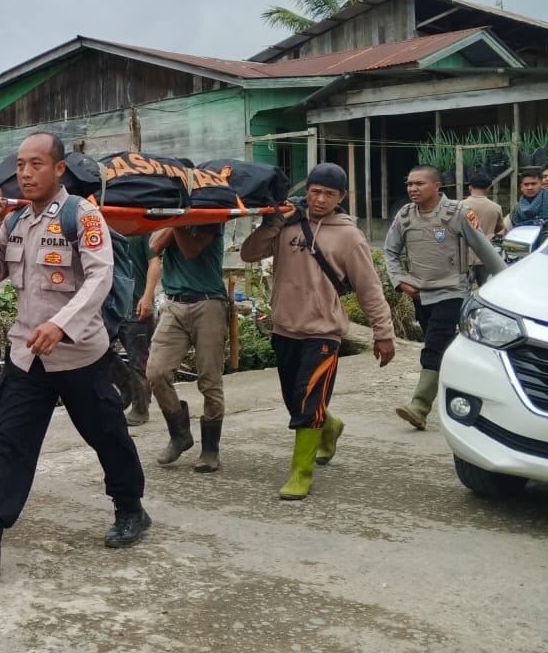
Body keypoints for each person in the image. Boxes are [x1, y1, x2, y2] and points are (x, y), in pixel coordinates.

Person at [0, 132, 149, 577]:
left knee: (106, 434)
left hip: (79, 355)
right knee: (8, 440)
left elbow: (100, 277)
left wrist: (62, 324)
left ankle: (130, 507)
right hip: (27, 356)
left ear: (58, 170)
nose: (25, 173)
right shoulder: (15, 221)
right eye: (20, 165)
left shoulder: (82, 215)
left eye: (36, 164)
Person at [241, 163, 396, 500]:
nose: (320, 199)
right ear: (306, 190)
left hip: (324, 333)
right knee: (294, 401)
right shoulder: (287, 225)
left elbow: (369, 289)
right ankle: (330, 427)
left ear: (340, 198)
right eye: (315, 191)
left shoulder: (348, 236)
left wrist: (383, 333)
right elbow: (248, 253)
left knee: (309, 403)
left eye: (329, 194)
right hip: (285, 328)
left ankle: (301, 474)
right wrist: (273, 223)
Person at [384, 165, 506, 431]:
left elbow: (483, 249)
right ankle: (478, 394)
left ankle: (419, 406)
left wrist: (508, 281)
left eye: (419, 184)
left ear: (437, 186)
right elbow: (389, 252)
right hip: (419, 293)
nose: (413, 189)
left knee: (435, 346)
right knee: (446, 350)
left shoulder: (458, 213)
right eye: (409, 184)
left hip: (452, 292)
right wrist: (400, 280)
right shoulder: (404, 216)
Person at [146, 222, 229, 473]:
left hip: (209, 303)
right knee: (156, 372)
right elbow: (154, 245)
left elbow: (191, 250)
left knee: (209, 380)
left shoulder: (212, 216)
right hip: (174, 303)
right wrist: (175, 219)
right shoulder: (170, 216)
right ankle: (180, 433)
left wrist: (178, 223)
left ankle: (210, 449)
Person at [119, 234, 161, 426]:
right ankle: (126, 386)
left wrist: (147, 296)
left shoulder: (142, 230)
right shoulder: (99, 226)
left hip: (136, 308)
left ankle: (140, 409)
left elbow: (154, 263)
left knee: (138, 361)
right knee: (99, 354)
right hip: (111, 308)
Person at [461, 172, 506, 286]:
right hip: (487, 256)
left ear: (470, 187)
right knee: (487, 289)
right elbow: (501, 230)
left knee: (463, 292)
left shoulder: (459, 206)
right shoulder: (496, 208)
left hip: (465, 257)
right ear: (488, 188)